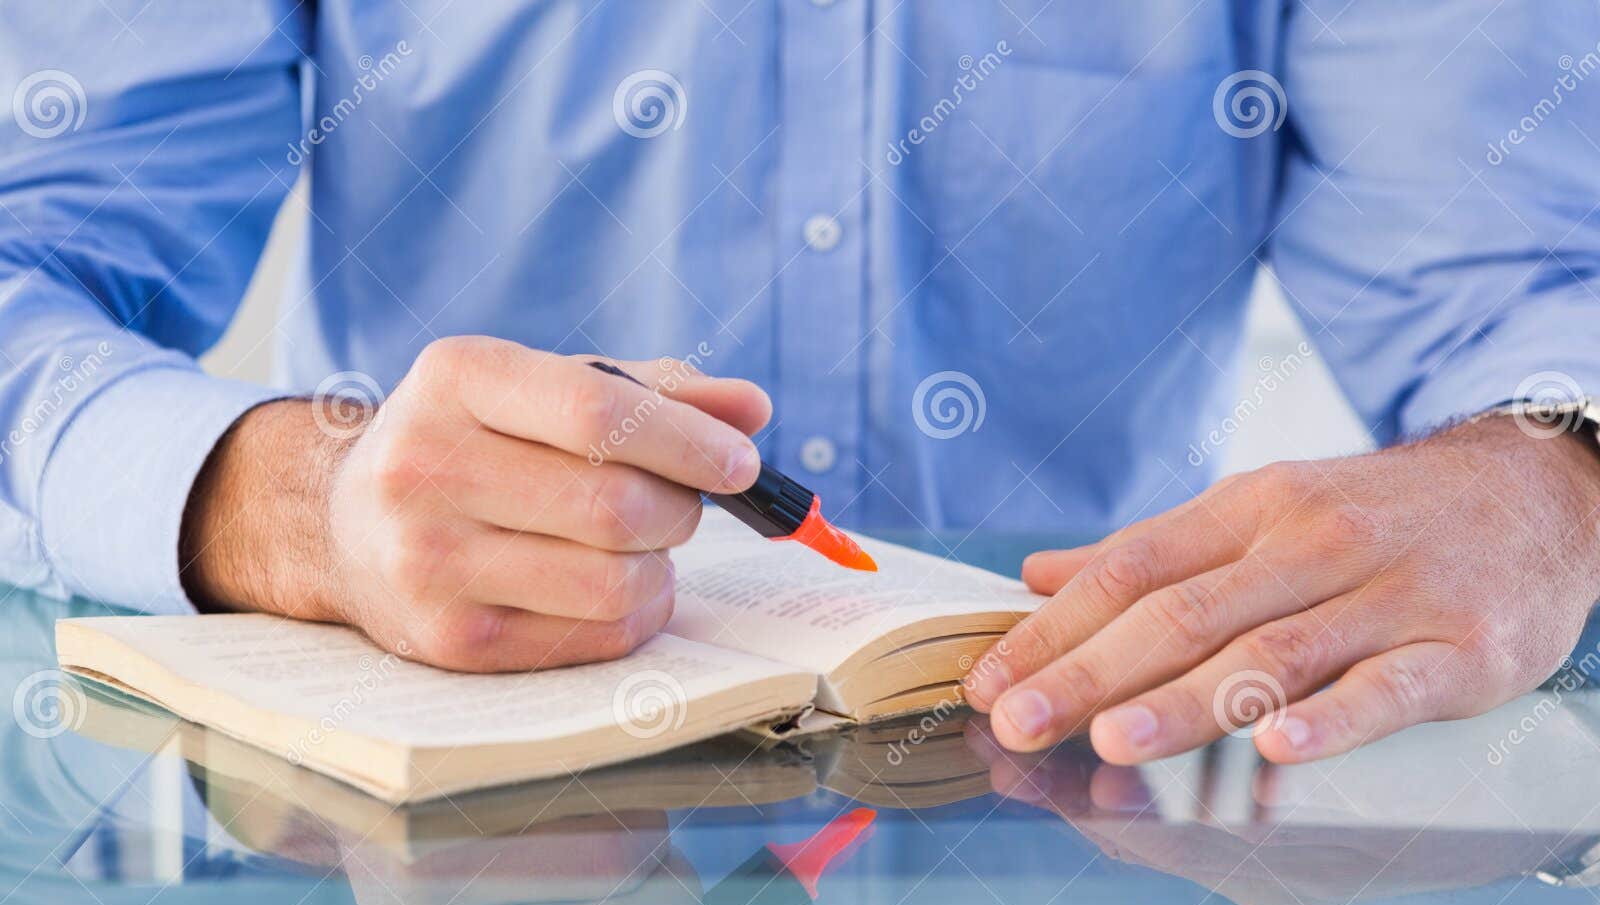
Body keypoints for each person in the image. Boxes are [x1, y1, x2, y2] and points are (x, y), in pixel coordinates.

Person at [1, 2, 1597, 767]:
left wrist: (1554, 472)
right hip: (437, 883)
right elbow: (31, 271)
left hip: (1079, 837)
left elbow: (1517, 284)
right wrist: (296, 505)